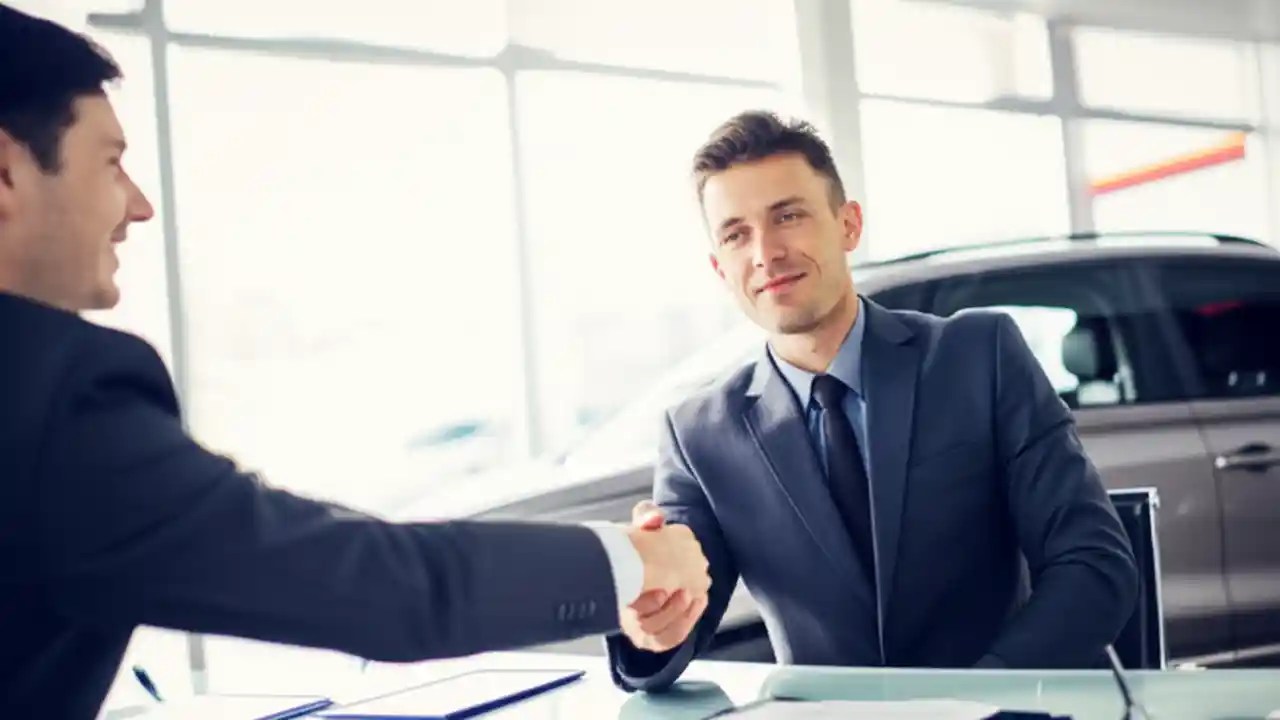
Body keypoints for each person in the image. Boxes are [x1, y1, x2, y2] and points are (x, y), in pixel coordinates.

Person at [0, 7, 709, 718]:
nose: (140, 206)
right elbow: (378, 585)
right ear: (6, 172)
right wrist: (628, 564)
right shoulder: (55, 395)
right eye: (111, 163)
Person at [607, 110, 1139, 690]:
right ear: (720, 267)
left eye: (788, 215)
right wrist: (652, 617)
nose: (766, 252)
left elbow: (1094, 568)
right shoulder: (698, 434)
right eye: (736, 234)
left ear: (848, 225)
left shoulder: (979, 357)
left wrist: (976, 698)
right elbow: (679, 617)